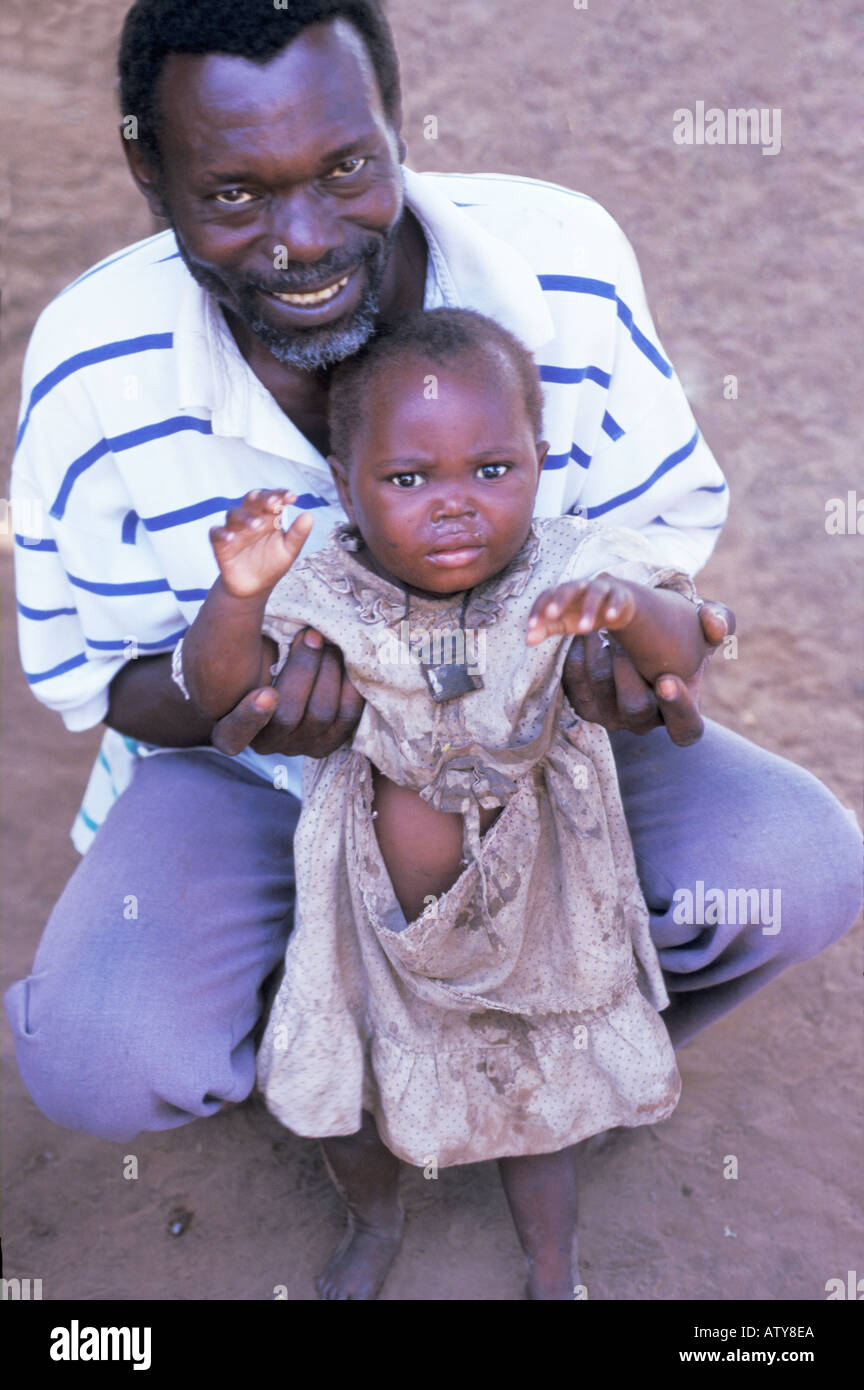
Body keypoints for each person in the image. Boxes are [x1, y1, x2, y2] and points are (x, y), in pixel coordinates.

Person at [5, 0, 861, 1159]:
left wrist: (610, 661)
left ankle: (566, 1059)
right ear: (148, 172)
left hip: (539, 755)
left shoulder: (562, 267)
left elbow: (651, 549)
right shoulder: (93, 361)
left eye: (347, 168)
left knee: (794, 870)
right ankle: (342, 1074)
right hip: (253, 779)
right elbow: (100, 680)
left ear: (398, 126)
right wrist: (250, 701)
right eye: (234, 195)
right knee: (101, 1058)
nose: (301, 238)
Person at [177, 306, 709, 1300]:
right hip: (371, 935)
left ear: (541, 463)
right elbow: (221, 690)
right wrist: (239, 595)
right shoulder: (329, 583)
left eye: (492, 470)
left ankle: (554, 1262)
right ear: (346, 486)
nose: (456, 504)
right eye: (410, 479)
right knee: (356, 1097)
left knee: (541, 1099)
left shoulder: (571, 564)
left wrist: (634, 613)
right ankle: (374, 1222)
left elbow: (683, 657)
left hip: (541, 913)